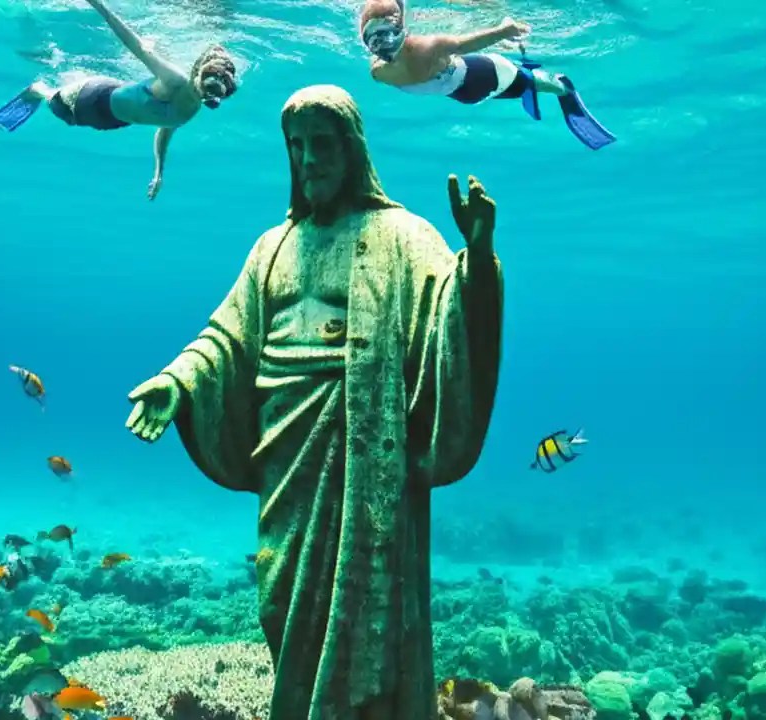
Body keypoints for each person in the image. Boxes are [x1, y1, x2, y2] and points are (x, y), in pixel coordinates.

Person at [124, 84, 504, 719]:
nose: (309, 160)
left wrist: (479, 261)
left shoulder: (403, 237)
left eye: (322, 145)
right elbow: (226, 336)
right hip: (287, 463)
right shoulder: (271, 247)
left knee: (368, 619)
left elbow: (448, 322)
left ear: (353, 150)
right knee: (283, 604)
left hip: (365, 461)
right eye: (297, 147)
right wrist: (179, 380)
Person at [0, 0, 239, 199]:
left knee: (71, 120)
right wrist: (100, 6)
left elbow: (165, 130)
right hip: (95, 96)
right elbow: (136, 46)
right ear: (197, 73)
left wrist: (159, 172)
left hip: (112, 120)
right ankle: (39, 89)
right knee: (59, 108)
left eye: (211, 97)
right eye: (205, 91)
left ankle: (54, 86)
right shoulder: (176, 80)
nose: (206, 98)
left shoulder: (192, 110)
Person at [360, 0, 615, 150]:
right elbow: (459, 45)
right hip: (467, 87)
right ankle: (534, 73)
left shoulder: (383, 69)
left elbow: (464, 44)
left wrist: (504, 31)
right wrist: (504, 31)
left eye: (382, 39)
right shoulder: (402, 59)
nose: (381, 47)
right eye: (375, 42)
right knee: (519, 85)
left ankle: (561, 87)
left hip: (483, 75)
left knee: (523, 84)